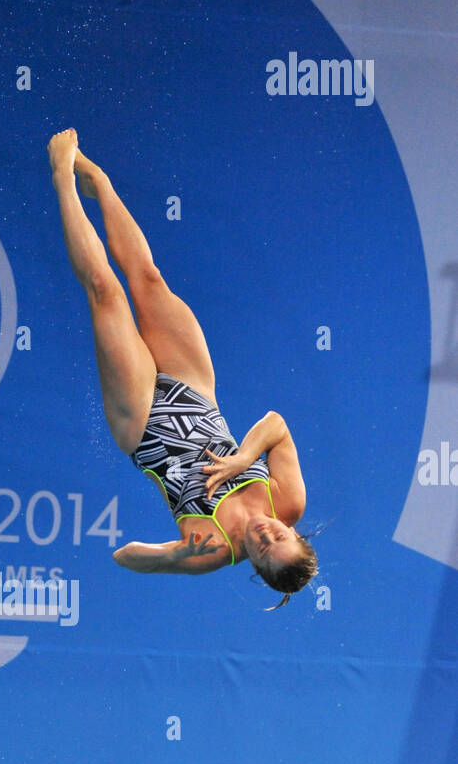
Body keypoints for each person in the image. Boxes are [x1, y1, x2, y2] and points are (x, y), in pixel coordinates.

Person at [47, 128, 317, 607]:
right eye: (278, 535)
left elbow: (124, 556)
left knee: (106, 293)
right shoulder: (288, 501)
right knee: (148, 279)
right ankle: (99, 181)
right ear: (294, 531)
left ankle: (63, 178)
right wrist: (240, 459)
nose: (263, 534)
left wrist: (167, 558)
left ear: (253, 565)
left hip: (144, 424)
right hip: (196, 393)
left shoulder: (211, 551)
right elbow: (277, 425)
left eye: (260, 549)